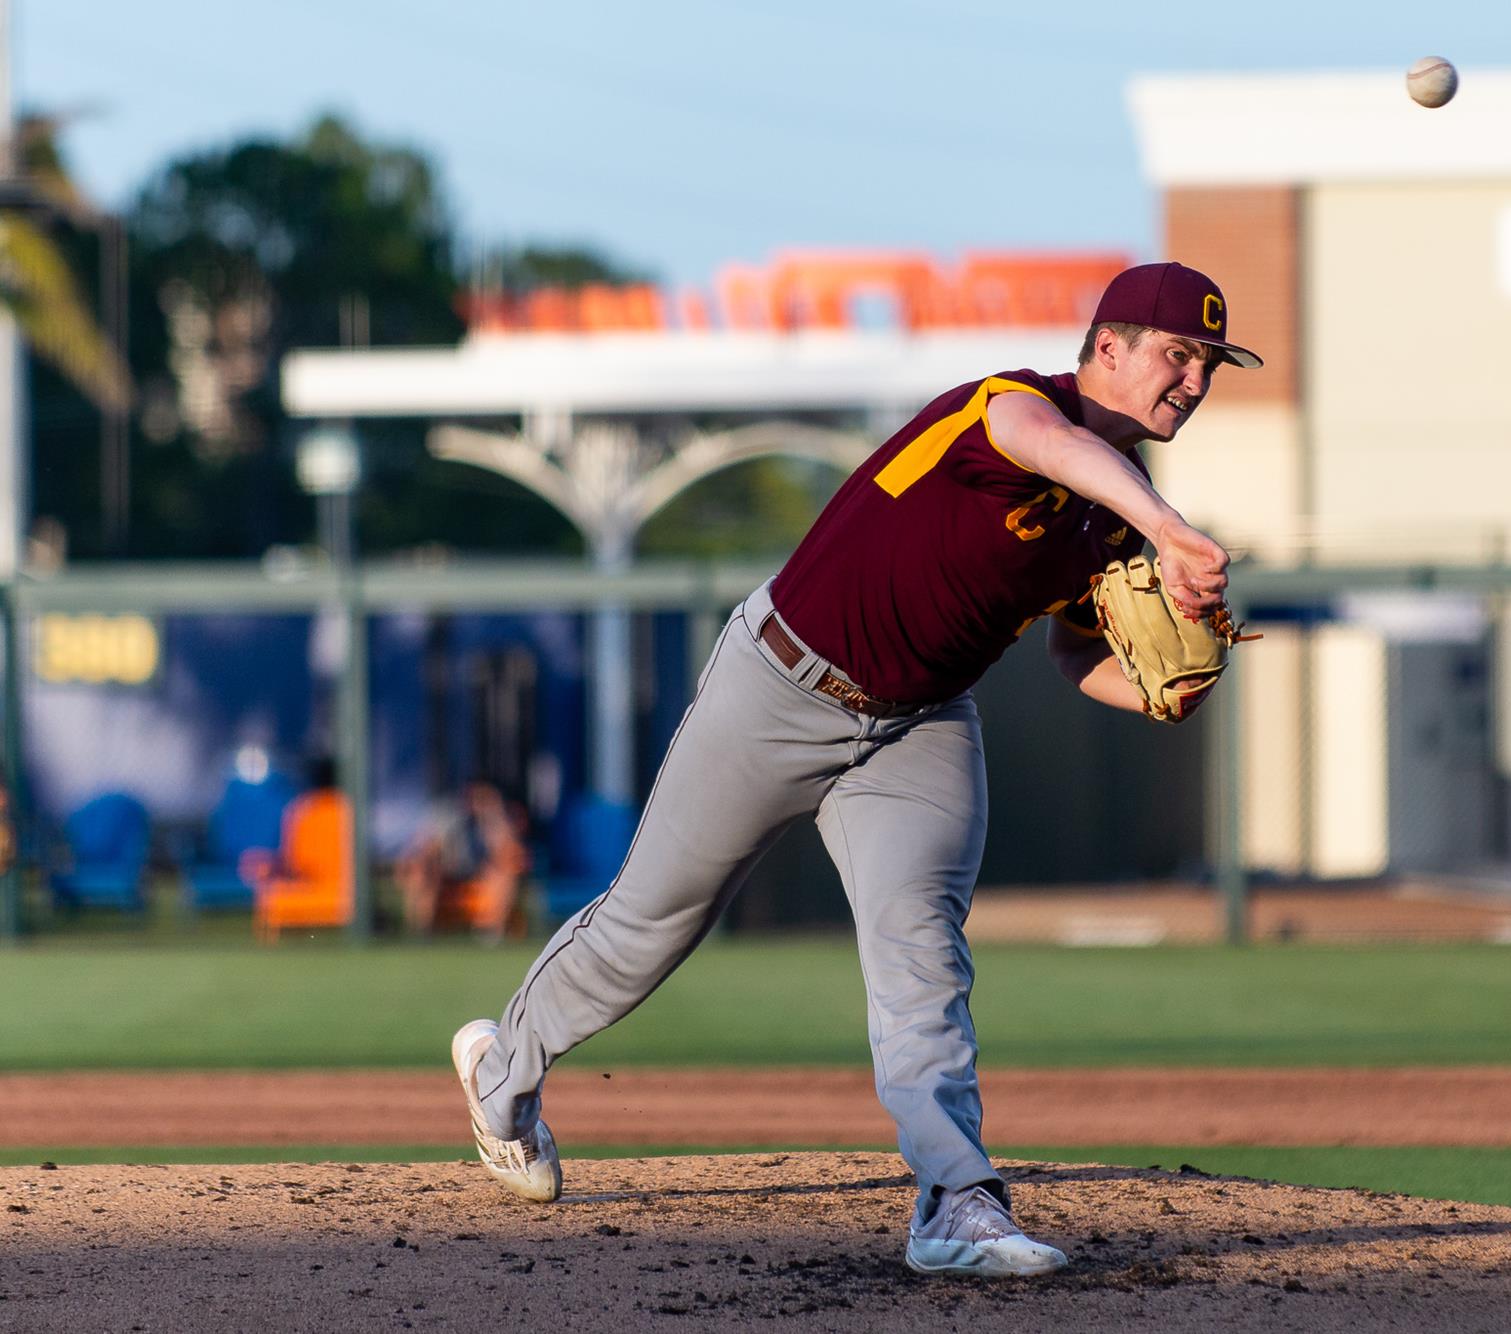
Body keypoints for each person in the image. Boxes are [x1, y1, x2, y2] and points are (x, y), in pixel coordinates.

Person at [452, 261, 1261, 1277]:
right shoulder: (1010, 406)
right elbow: (1045, 446)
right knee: (648, 924)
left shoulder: (1110, 521)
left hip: (917, 726)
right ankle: (502, 1072)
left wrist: (1156, 691)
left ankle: (953, 1198)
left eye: (1208, 364)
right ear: (1105, 347)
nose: (1192, 378)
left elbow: (1073, 653)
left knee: (920, 945)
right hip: (778, 685)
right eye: (1177, 353)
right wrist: (1167, 526)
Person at [397, 780, 529, 939]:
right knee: (420, 872)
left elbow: (506, 852)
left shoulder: (496, 821)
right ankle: (420, 933)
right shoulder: (448, 817)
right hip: (448, 874)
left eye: (484, 798)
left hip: (482, 879)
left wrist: (491, 820)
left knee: (503, 874)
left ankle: (488, 933)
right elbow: (426, 848)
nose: (478, 802)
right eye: (475, 797)